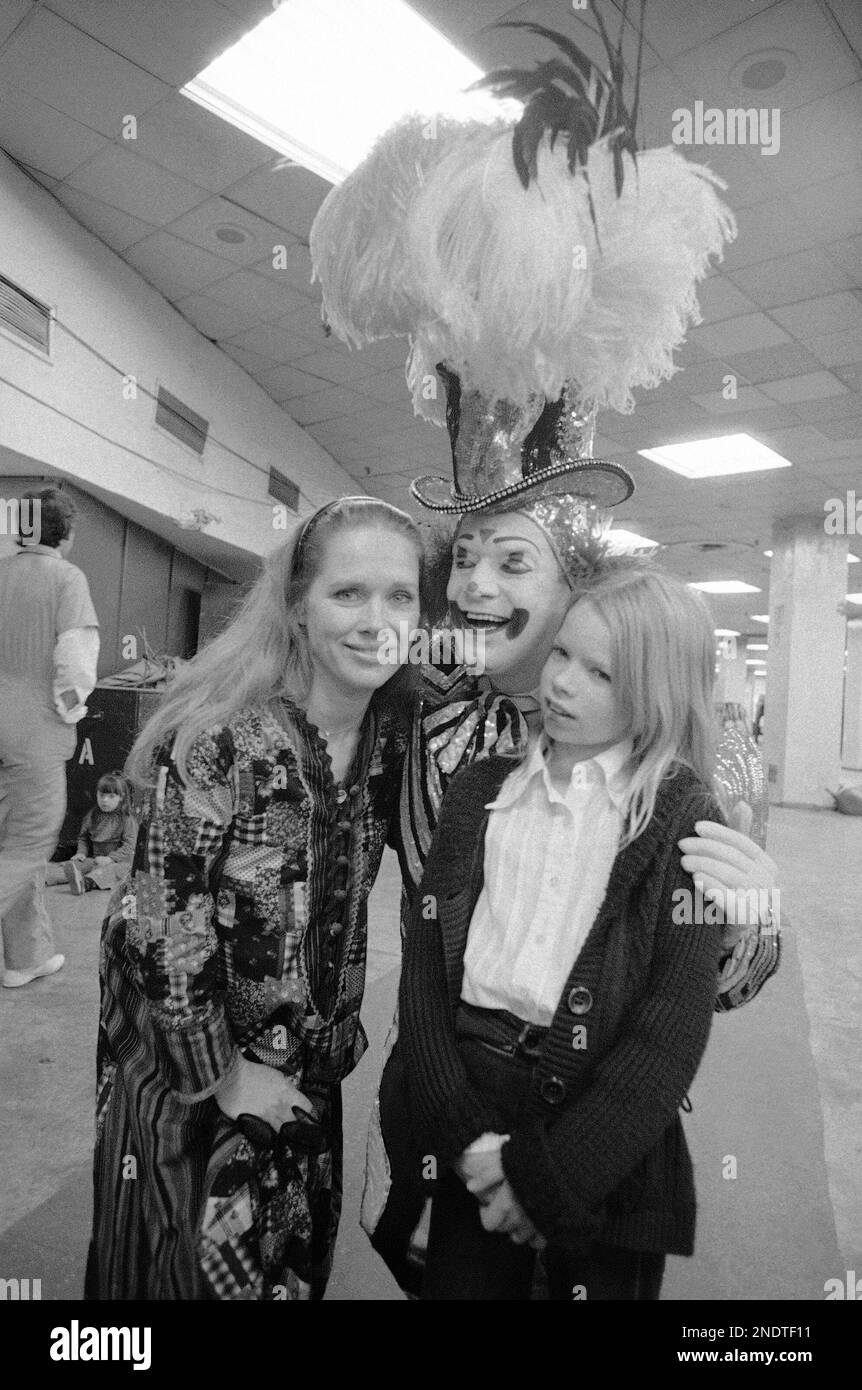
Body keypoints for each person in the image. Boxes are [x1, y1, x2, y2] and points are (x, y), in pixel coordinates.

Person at [310, 15, 778, 1289]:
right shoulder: (427, 712)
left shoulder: (681, 733)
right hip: (438, 1113)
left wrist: (752, 918)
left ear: (575, 580)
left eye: (512, 561)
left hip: (592, 1141)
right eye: (467, 556)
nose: (473, 579)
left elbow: (709, 983)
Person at [84, 497, 424, 1300]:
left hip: (307, 1072)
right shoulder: (218, 738)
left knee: (286, 1268)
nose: (378, 620)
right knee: (172, 1273)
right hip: (184, 1073)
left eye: (401, 596)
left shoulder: (395, 739)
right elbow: (158, 926)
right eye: (348, 594)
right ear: (298, 607)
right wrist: (224, 1078)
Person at [398, 558, 725, 1299]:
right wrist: (469, 1140)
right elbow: (423, 982)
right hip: (473, 1113)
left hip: (603, 1133)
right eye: (561, 654)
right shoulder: (479, 792)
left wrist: (548, 1182)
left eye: (602, 674)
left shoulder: (684, 817)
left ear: (658, 691)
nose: (564, 683)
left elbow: (670, 1027)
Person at [0, 485, 99, 989]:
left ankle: (24, 958)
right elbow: (75, 660)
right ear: (68, 534)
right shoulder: (66, 578)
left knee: (12, 848)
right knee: (27, 849)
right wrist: (69, 711)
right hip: (32, 735)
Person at [46, 770, 137, 893]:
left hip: (119, 862)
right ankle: (47, 878)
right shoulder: (92, 815)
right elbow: (84, 838)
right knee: (77, 865)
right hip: (96, 860)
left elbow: (130, 845)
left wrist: (110, 859)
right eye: (101, 795)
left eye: (111, 796)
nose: (105, 800)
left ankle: (85, 883)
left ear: (121, 797)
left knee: (110, 871)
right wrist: (81, 853)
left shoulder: (126, 819)